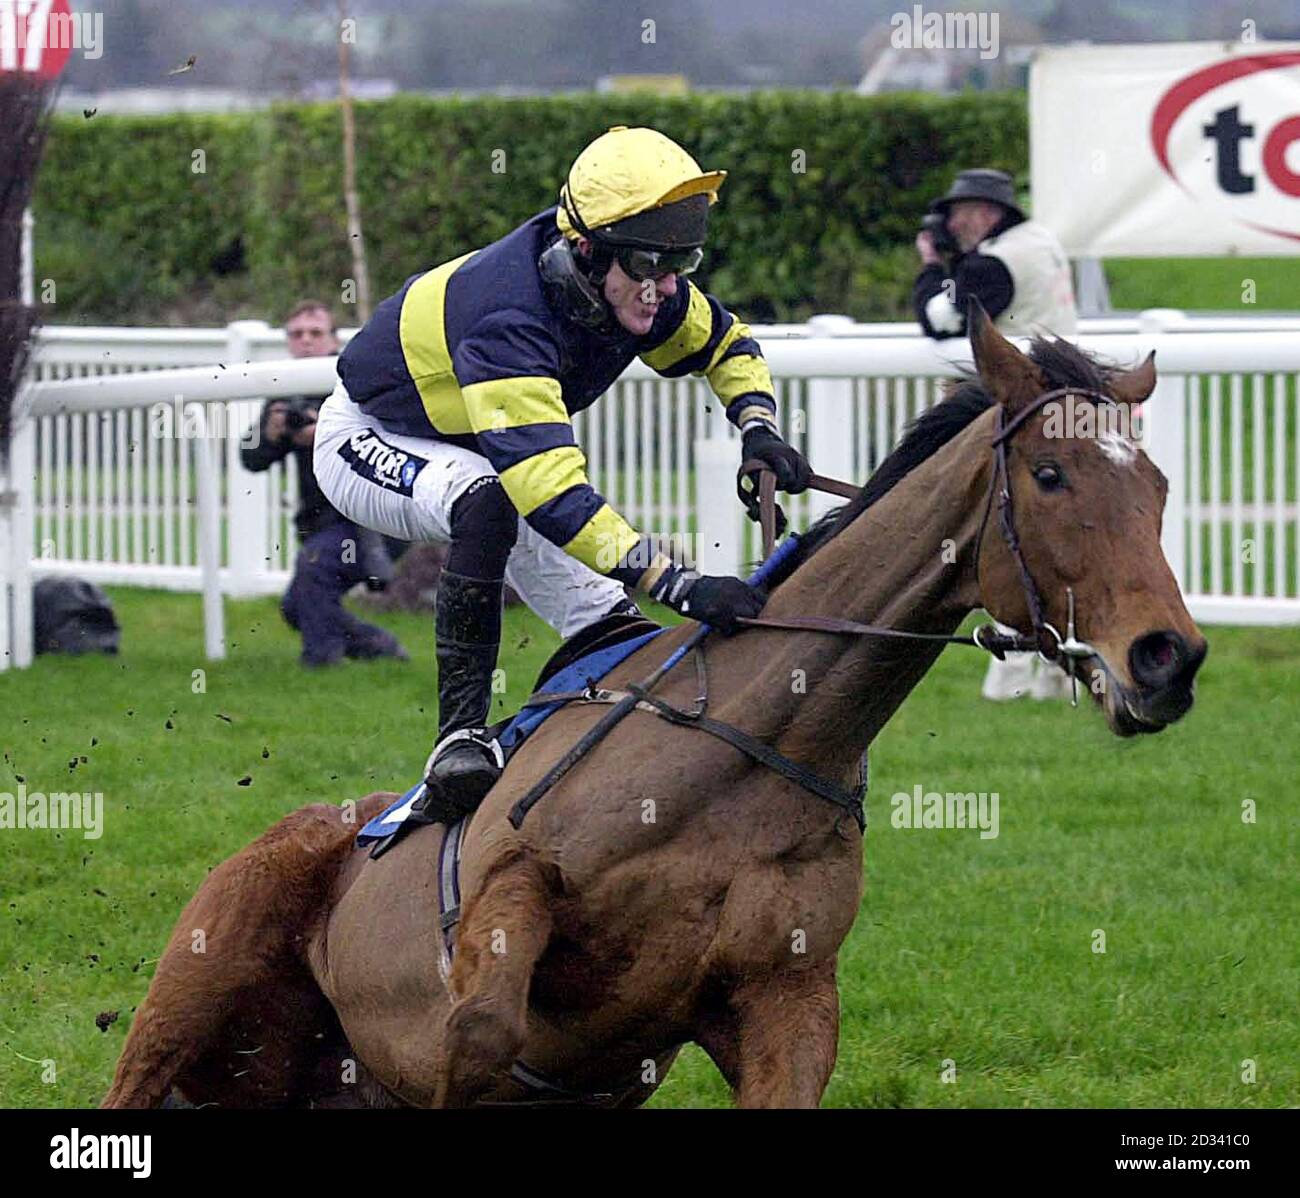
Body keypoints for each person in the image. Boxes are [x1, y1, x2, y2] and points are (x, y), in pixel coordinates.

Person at [314, 126, 811, 808]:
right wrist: (678, 582)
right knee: (488, 499)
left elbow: (729, 346)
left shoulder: (639, 281)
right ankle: (457, 738)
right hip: (368, 436)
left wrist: (759, 429)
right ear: (585, 250)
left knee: (618, 636)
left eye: (681, 264)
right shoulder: (506, 315)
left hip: (486, 451)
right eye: (648, 266)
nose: (664, 289)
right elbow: (546, 491)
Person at [913, 169, 1078, 700]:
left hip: (1017, 412)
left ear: (986, 213)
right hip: (1063, 404)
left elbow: (937, 319)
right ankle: (1053, 672)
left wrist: (933, 267)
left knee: (1005, 536)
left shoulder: (993, 262)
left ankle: (1009, 677)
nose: (953, 224)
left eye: (960, 214)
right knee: (1053, 541)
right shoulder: (1040, 243)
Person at [241, 300, 408, 668]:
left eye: (315, 333)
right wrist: (270, 436)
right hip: (323, 523)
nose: (306, 342)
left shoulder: (359, 381)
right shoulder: (287, 392)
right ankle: (379, 646)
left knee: (313, 574)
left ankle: (321, 663)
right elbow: (250, 459)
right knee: (296, 606)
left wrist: (332, 434)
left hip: (374, 523)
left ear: (335, 340)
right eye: (297, 334)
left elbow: (395, 442)